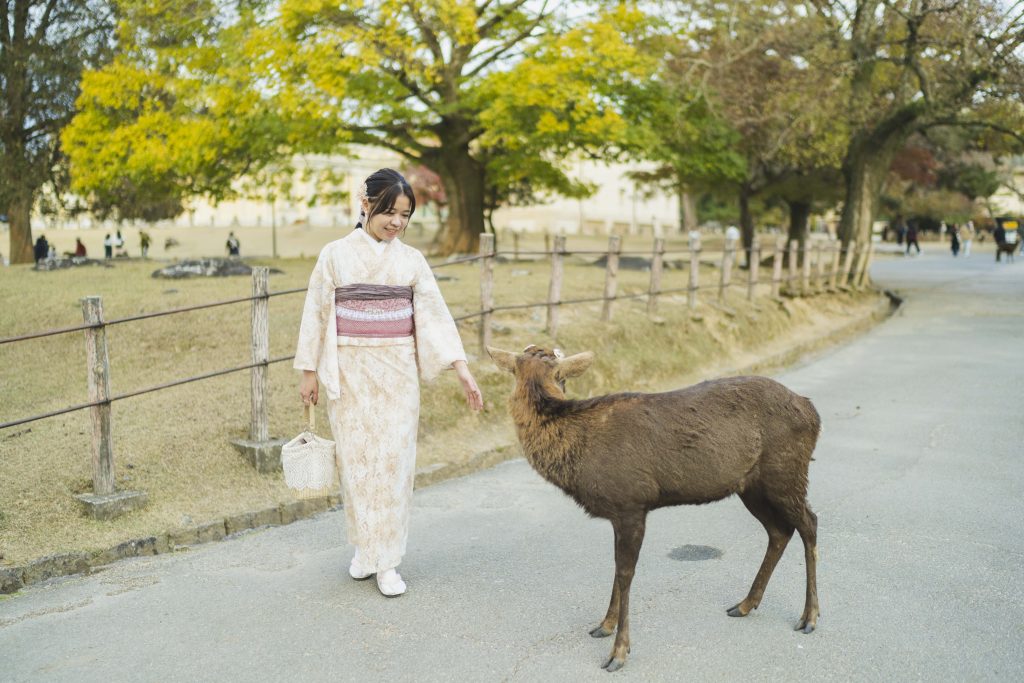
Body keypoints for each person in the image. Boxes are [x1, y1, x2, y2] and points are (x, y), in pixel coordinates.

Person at [294, 168, 483, 598]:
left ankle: (389, 561)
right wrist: (309, 371)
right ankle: (364, 550)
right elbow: (317, 312)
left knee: (394, 465)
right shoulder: (335, 255)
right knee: (358, 465)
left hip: (397, 373)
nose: (397, 222)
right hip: (350, 371)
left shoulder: (411, 261)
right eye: (389, 212)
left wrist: (460, 367)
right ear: (366, 205)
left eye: (405, 214)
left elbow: (434, 316)